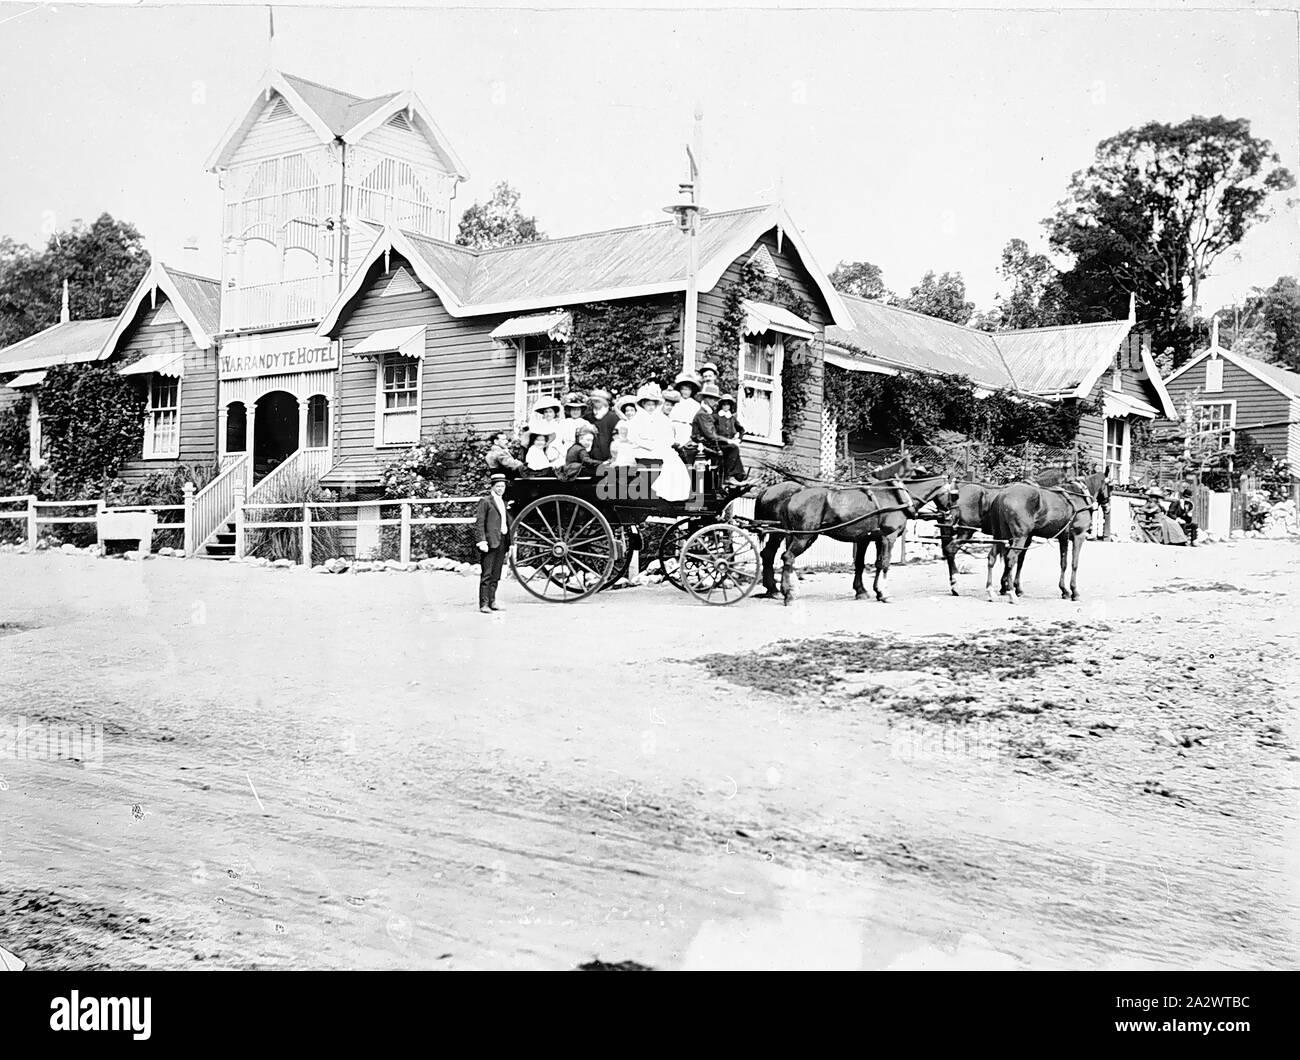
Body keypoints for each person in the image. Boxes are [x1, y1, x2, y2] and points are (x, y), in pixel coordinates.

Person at [628, 382, 691, 501]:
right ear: (643, 404)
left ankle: (676, 493)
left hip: (658, 448)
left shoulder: (661, 419)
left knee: (675, 461)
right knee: (667, 459)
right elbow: (633, 438)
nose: (651, 407)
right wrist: (651, 445)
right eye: (648, 404)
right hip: (642, 449)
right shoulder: (637, 419)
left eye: (653, 404)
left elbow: (667, 437)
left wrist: (662, 444)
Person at [475, 473, 511, 613]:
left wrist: (510, 542)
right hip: (490, 542)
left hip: (501, 540)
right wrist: (482, 541)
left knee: (496, 574)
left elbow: (507, 523)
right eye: (498, 486)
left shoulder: (503, 502)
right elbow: (479, 523)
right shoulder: (485, 501)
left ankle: (492, 601)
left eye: (503, 486)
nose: (501, 489)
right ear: (492, 487)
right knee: (487, 574)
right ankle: (483, 604)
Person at [713, 392, 749, 485]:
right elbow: (711, 431)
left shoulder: (732, 418)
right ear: (721, 405)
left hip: (728, 444)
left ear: (730, 406)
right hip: (718, 443)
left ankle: (737, 475)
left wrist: (739, 439)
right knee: (734, 449)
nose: (726, 406)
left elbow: (741, 430)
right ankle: (734, 475)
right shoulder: (716, 417)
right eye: (724, 404)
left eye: (728, 404)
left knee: (734, 449)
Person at [584, 388, 620, 462]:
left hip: (609, 457)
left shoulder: (613, 417)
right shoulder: (588, 417)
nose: (596, 403)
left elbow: (617, 439)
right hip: (591, 459)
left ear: (604, 402)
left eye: (599, 401)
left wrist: (612, 457)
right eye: (594, 401)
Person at [671, 372, 702, 446]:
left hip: (686, 428)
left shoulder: (695, 404)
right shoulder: (675, 400)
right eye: (683, 389)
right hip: (673, 426)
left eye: (688, 390)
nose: (685, 392)